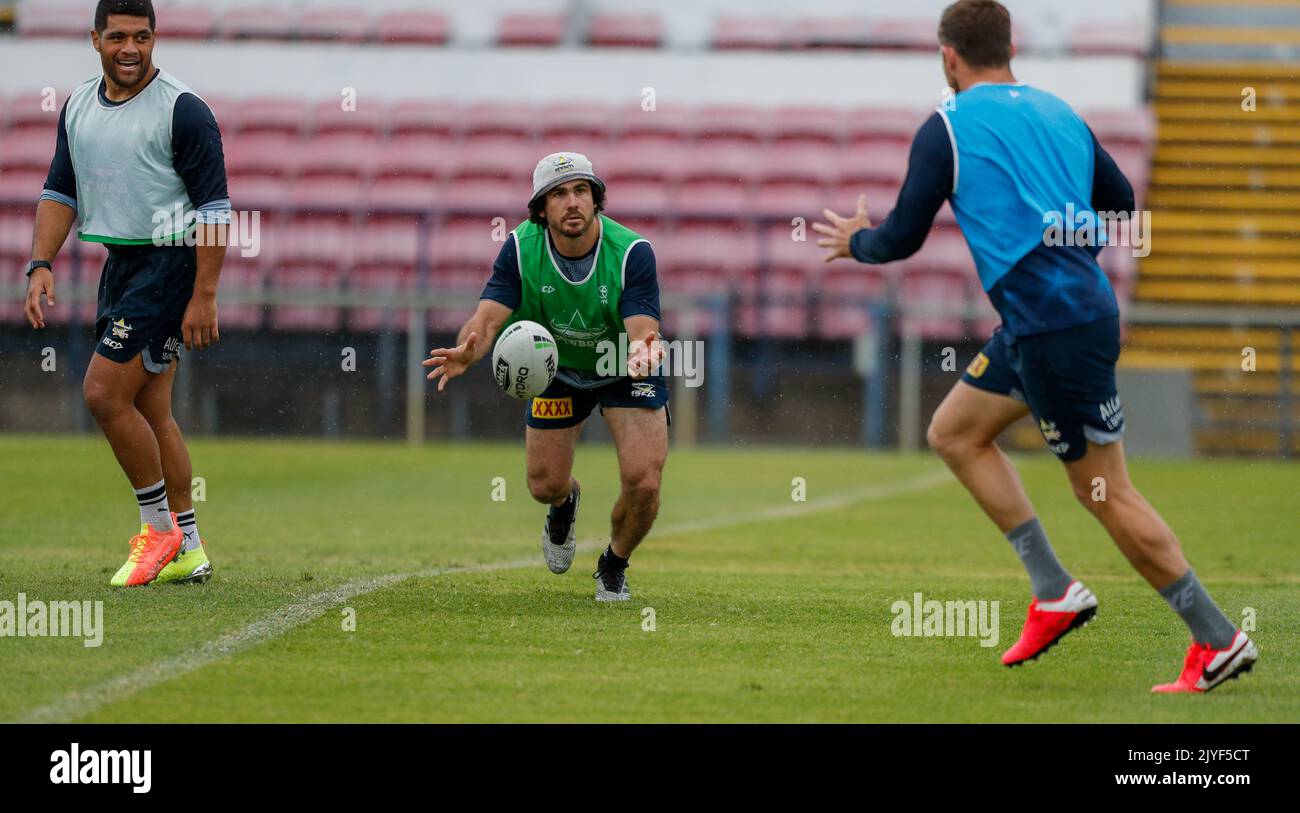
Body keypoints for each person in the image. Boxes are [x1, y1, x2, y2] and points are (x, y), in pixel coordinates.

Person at [813, 0, 1257, 692]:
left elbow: (901, 235)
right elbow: (1119, 196)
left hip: (1056, 328)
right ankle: (1053, 588)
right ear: (1011, 46)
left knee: (1104, 490)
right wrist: (1062, 233)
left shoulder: (947, 128)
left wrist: (856, 242)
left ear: (948, 57)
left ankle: (1217, 636)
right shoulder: (1060, 112)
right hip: (1050, 320)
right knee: (955, 432)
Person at [25, 0, 228, 587]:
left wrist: (204, 295)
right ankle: (188, 547)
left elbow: (215, 209)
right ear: (95, 41)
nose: (131, 49)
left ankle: (156, 529)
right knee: (149, 409)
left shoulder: (184, 111)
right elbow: (60, 190)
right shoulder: (79, 105)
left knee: (102, 394)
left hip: (169, 264)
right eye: (118, 37)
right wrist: (41, 262)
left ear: (154, 38)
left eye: (142, 36)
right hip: (121, 263)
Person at [424, 152, 668, 602]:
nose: (572, 202)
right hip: (554, 366)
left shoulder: (633, 252)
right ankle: (563, 504)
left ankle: (613, 564)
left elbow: (642, 328)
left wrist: (642, 348)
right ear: (541, 208)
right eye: (559, 194)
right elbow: (486, 318)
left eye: (581, 191)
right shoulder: (520, 248)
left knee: (645, 481)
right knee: (543, 485)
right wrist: (469, 348)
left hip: (621, 362)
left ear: (596, 200)